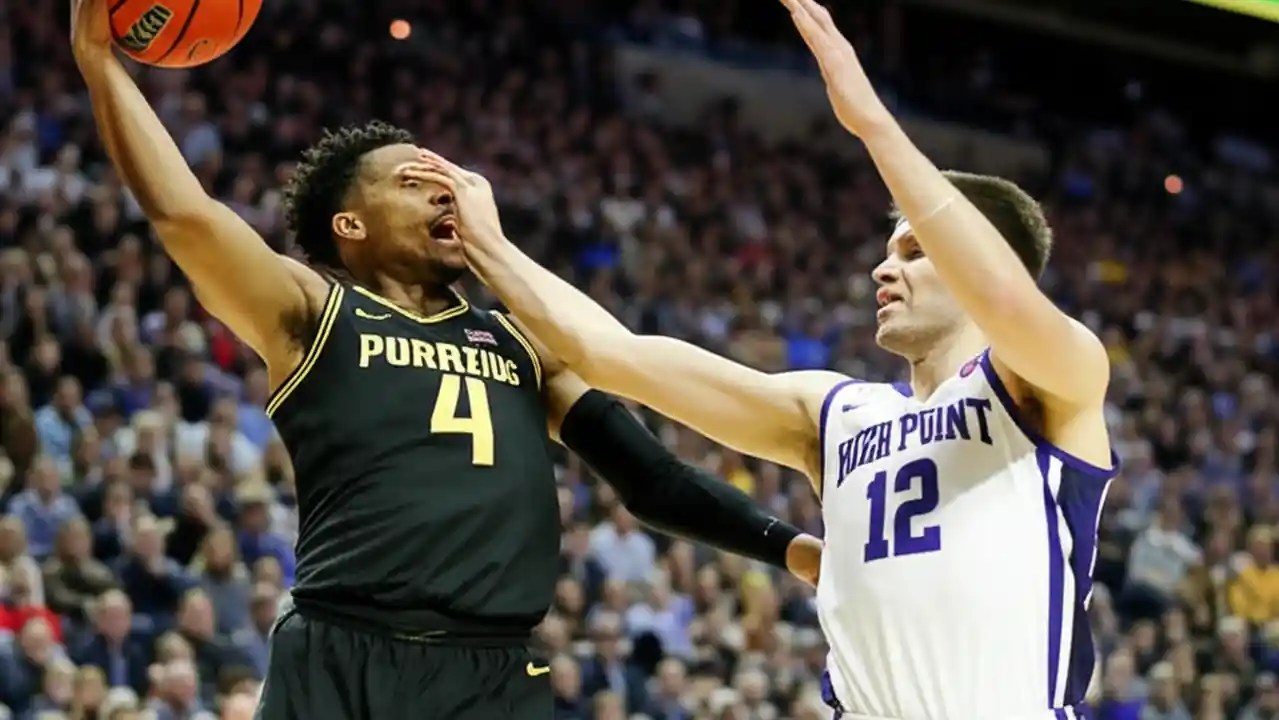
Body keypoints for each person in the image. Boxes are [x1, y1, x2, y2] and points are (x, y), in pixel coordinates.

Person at [68, 0, 821, 718]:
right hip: (339, 651)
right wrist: (102, 65)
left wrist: (788, 547)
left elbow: (649, 478)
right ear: (350, 223)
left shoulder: (524, 344)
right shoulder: (314, 312)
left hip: (491, 671)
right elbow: (186, 216)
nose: (444, 197)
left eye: (448, 184)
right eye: (414, 183)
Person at [432, 0, 1118, 717]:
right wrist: (488, 245)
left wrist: (874, 126)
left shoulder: (1053, 382)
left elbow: (1005, 303)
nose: (884, 272)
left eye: (914, 251)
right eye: (887, 252)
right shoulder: (836, 413)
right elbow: (613, 355)